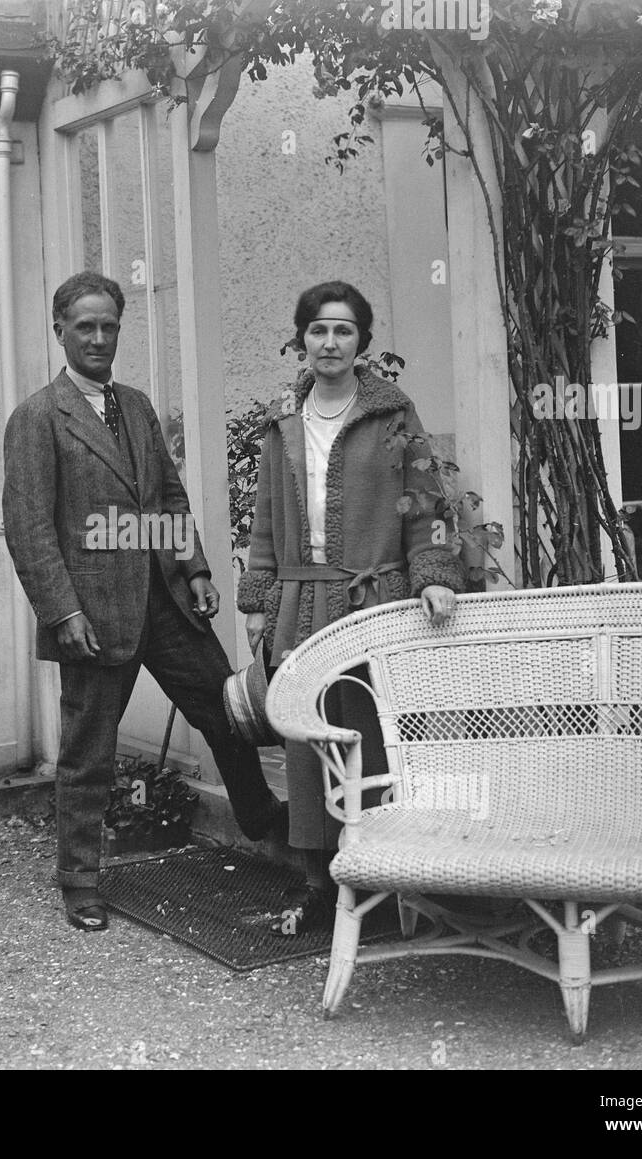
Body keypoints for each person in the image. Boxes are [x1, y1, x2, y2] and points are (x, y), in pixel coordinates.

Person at [2, 271, 287, 932]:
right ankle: (79, 880)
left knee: (229, 710)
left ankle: (259, 818)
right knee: (88, 750)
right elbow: (30, 527)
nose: (99, 338)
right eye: (86, 327)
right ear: (61, 331)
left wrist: (193, 570)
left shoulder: (134, 406)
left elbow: (166, 495)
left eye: (109, 327)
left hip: (165, 601)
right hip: (94, 615)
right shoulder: (38, 417)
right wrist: (64, 614)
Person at [237, 280, 465, 934]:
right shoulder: (284, 422)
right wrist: (258, 597)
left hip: (374, 602)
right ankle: (320, 884)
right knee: (308, 749)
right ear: (302, 339)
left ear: (362, 340)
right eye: (317, 329)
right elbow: (265, 520)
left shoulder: (393, 414)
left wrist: (432, 573)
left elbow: (425, 501)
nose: (329, 342)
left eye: (342, 330)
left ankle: (386, 882)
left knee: (370, 738)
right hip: (301, 604)